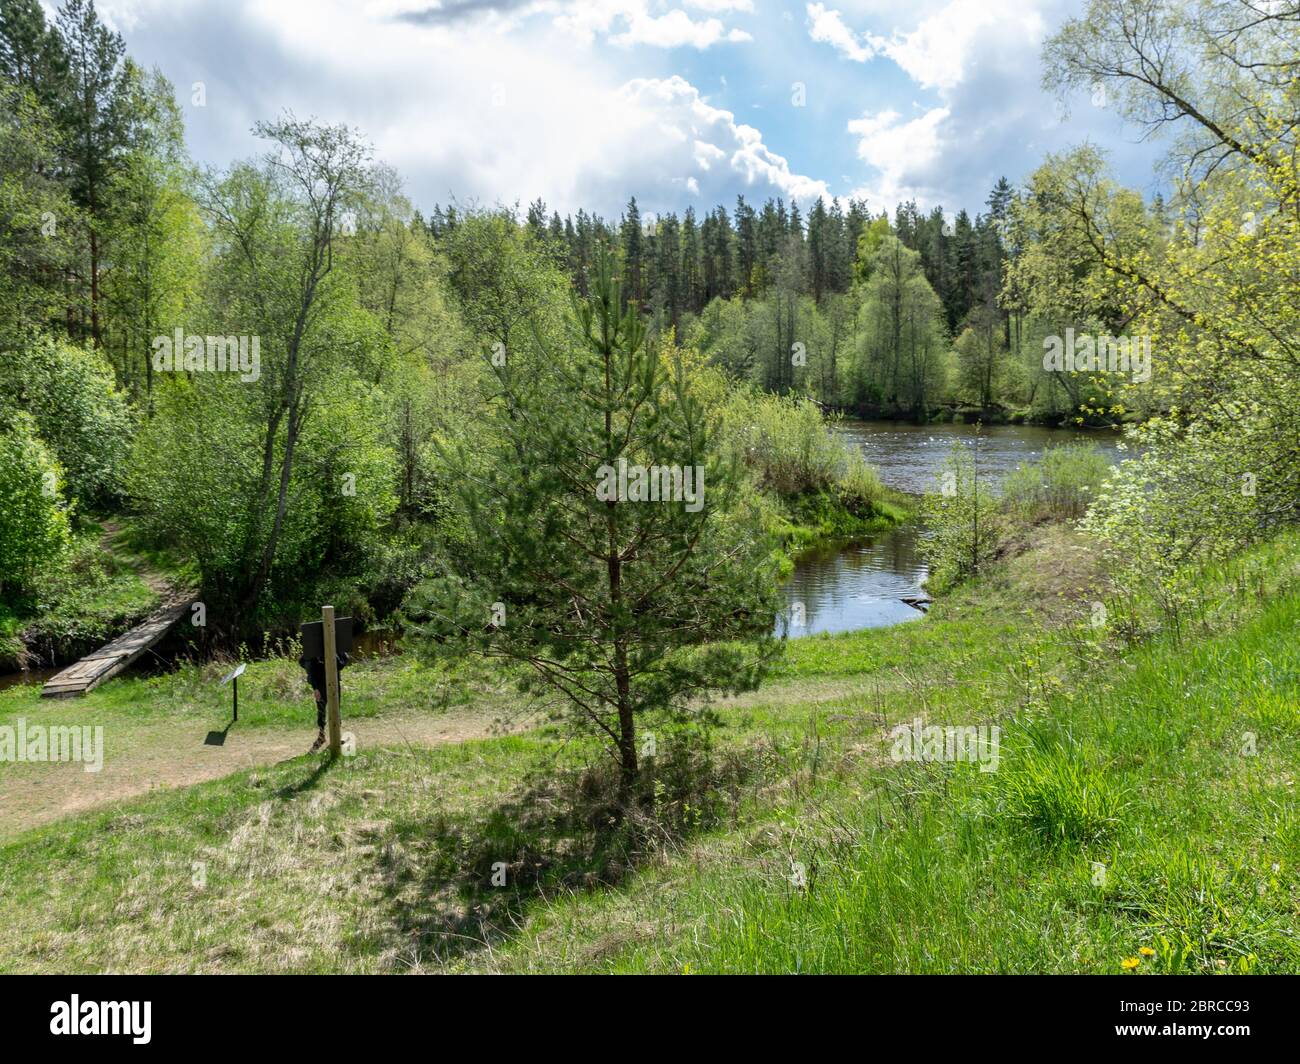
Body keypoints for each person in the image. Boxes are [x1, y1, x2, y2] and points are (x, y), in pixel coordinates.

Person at [299, 651, 347, 751]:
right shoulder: (314, 648)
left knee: (336, 710)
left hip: (334, 682)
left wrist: (333, 653)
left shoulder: (337, 649)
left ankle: (336, 736)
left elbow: (341, 664)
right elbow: (305, 664)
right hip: (320, 684)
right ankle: (321, 736)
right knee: (321, 711)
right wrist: (315, 687)